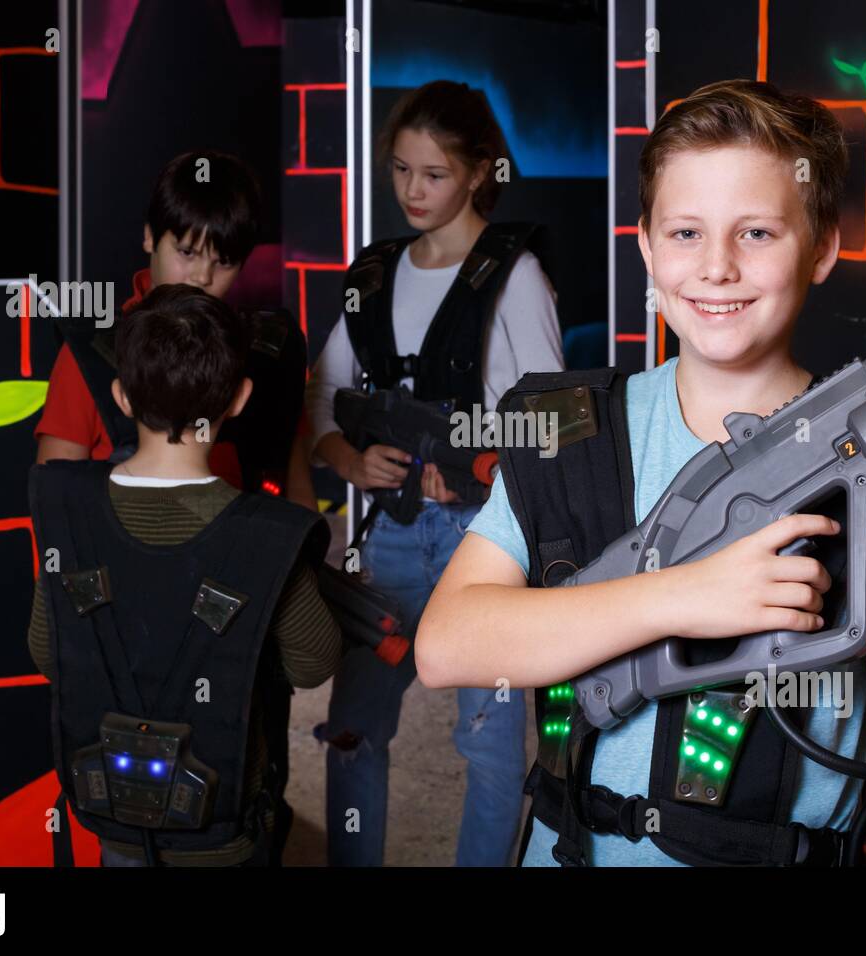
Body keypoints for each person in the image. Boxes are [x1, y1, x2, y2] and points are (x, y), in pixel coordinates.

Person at [417, 79, 866, 866]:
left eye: (759, 234)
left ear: (823, 246)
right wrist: (687, 595)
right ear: (644, 247)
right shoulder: (568, 432)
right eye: (684, 233)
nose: (716, 268)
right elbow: (446, 644)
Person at [304, 80, 565, 866]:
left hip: (483, 542)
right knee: (351, 730)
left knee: (488, 751)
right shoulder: (372, 274)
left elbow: (550, 421)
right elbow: (320, 398)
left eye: (435, 174)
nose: (413, 191)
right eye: (400, 171)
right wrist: (349, 458)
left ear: (482, 171)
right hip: (387, 542)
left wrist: (478, 475)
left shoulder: (513, 276)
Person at [28, 284, 342, 866]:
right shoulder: (267, 536)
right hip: (222, 832)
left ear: (121, 397)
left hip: (114, 822)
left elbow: (49, 653)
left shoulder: (68, 512)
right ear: (241, 397)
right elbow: (314, 663)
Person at [35, 149, 314, 507]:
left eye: (224, 261)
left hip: (242, 556)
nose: (202, 277)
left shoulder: (267, 353)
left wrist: (309, 563)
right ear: (151, 237)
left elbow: (294, 484)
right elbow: (54, 502)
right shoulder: (93, 354)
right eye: (187, 252)